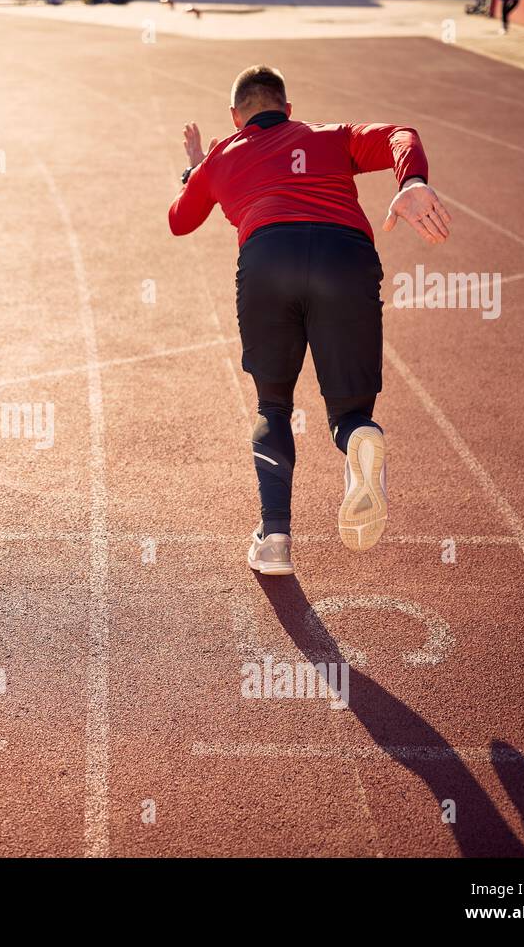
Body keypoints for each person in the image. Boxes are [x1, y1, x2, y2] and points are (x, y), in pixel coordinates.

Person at [168, 65, 451, 575]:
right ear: (289, 109)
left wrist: (196, 169)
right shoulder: (329, 136)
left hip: (267, 259)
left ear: (236, 118)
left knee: (273, 405)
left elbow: (179, 221)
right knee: (351, 413)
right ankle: (355, 436)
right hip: (345, 256)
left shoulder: (223, 156)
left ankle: (274, 539)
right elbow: (400, 134)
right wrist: (410, 179)